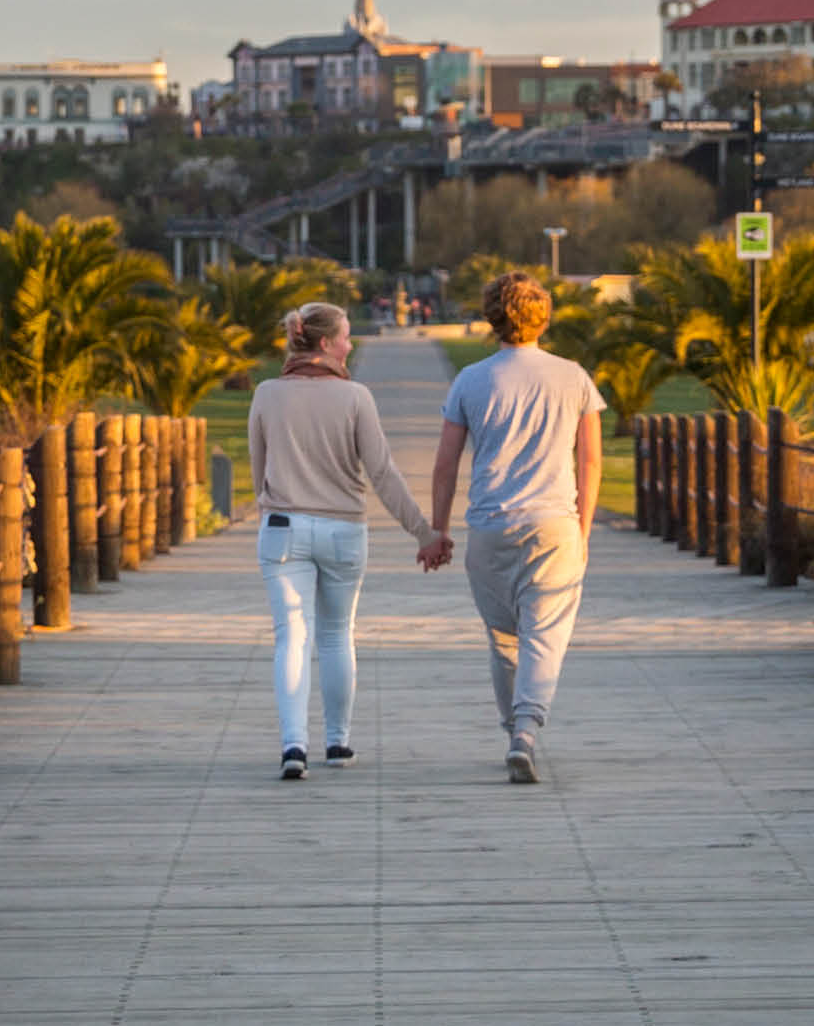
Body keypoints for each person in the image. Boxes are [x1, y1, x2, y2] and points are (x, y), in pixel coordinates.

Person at [419, 271, 604, 784]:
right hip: (555, 525)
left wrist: (438, 530)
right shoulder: (574, 377)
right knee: (545, 633)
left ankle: (512, 731)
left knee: (504, 637)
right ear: (544, 318)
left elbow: (445, 465)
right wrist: (583, 529)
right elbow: (590, 463)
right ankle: (526, 731)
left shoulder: (471, 381)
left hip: (491, 528)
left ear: (490, 318)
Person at [245, 301, 435, 780]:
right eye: (346, 337)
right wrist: (423, 531)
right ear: (326, 343)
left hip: (283, 528)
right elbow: (382, 474)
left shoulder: (266, 394)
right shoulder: (355, 398)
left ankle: (293, 747)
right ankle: (338, 741)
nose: (350, 345)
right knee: (335, 635)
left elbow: (258, 473)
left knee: (291, 636)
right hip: (344, 532)